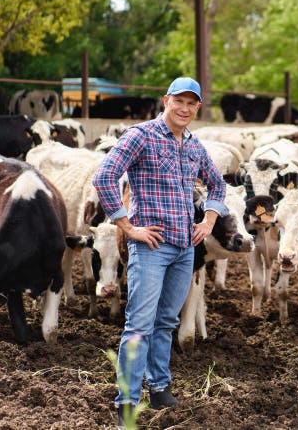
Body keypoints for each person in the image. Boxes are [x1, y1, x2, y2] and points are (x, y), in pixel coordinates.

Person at [92, 77, 228, 428]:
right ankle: (127, 399)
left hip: (184, 248)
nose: (184, 108)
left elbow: (217, 183)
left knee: (167, 321)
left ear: (198, 107)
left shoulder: (195, 145)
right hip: (150, 246)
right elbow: (105, 176)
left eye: (191, 103)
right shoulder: (142, 135)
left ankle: (159, 386)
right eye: (178, 101)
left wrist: (209, 220)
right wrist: (128, 226)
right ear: (166, 100)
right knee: (138, 323)